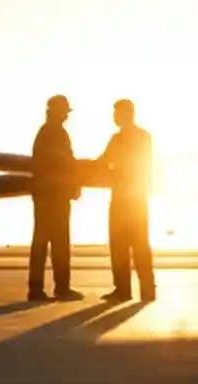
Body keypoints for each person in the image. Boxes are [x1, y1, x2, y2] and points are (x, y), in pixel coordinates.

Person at [90, 98, 155, 302]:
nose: (115, 117)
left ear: (127, 114)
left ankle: (123, 290)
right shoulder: (144, 137)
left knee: (121, 245)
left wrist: (81, 169)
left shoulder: (119, 139)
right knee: (139, 245)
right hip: (137, 197)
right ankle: (146, 291)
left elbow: (103, 162)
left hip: (123, 197)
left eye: (117, 113)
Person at [28, 94, 83, 302]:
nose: (67, 116)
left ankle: (43, 288)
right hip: (52, 195)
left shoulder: (49, 132)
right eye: (65, 112)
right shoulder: (53, 133)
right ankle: (55, 288)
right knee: (53, 241)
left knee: (46, 241)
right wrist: (74, 183)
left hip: (48, 194)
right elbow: (63, 162)